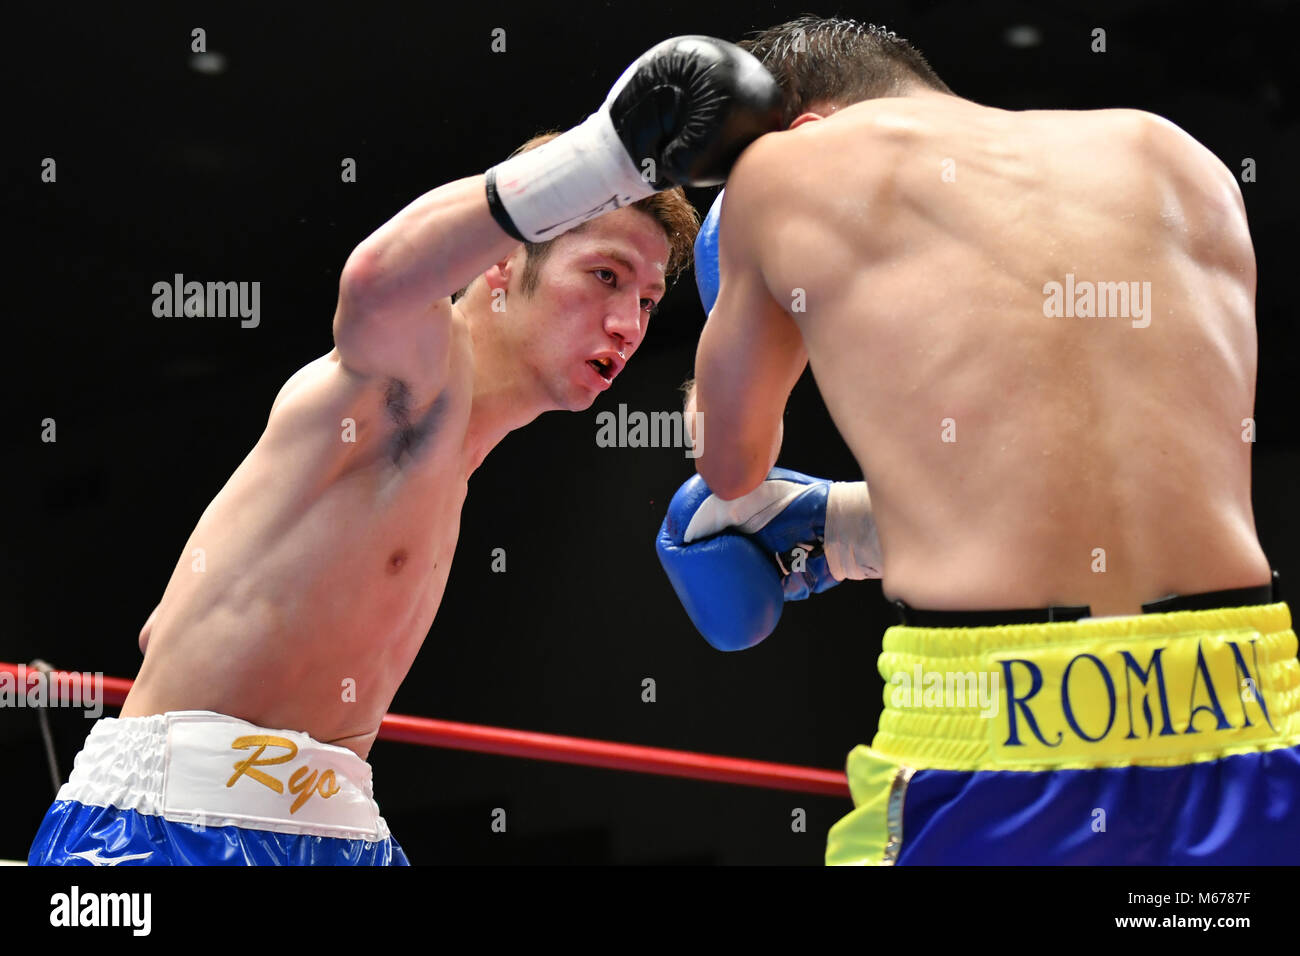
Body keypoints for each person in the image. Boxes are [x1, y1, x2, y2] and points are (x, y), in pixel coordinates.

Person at [28, 36, 782, 866]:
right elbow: (377, 280)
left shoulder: (458, 457)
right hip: (174, 822)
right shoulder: (412, 377)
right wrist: (600, 156)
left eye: (646, 299)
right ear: (501, 265)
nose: (630, 324)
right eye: (604, 276)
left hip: (339, 822)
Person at [657, 16, 1299, 865]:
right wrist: (847, 525)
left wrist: (734, 291)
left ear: (800, 126)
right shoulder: (1176, 153)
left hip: (996, 720)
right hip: (1246, 709)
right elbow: (1102, 464)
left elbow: (731, 466)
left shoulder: (786, 169)